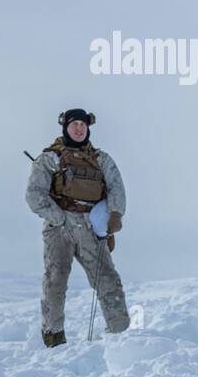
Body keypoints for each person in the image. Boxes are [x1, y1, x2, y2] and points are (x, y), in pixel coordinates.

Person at [25, 108, 130, 347]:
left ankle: (121, 337)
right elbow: (34, 194)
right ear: (65, 127)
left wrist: (115, 215)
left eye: (83, 125)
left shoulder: (102, 159)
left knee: (107, 279)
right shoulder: (49, 159)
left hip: (91, 226)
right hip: (58, 228)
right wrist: (59, 218)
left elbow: (116, 187)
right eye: (75, 125)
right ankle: (53, 337)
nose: (79, 129)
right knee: (55, 280)